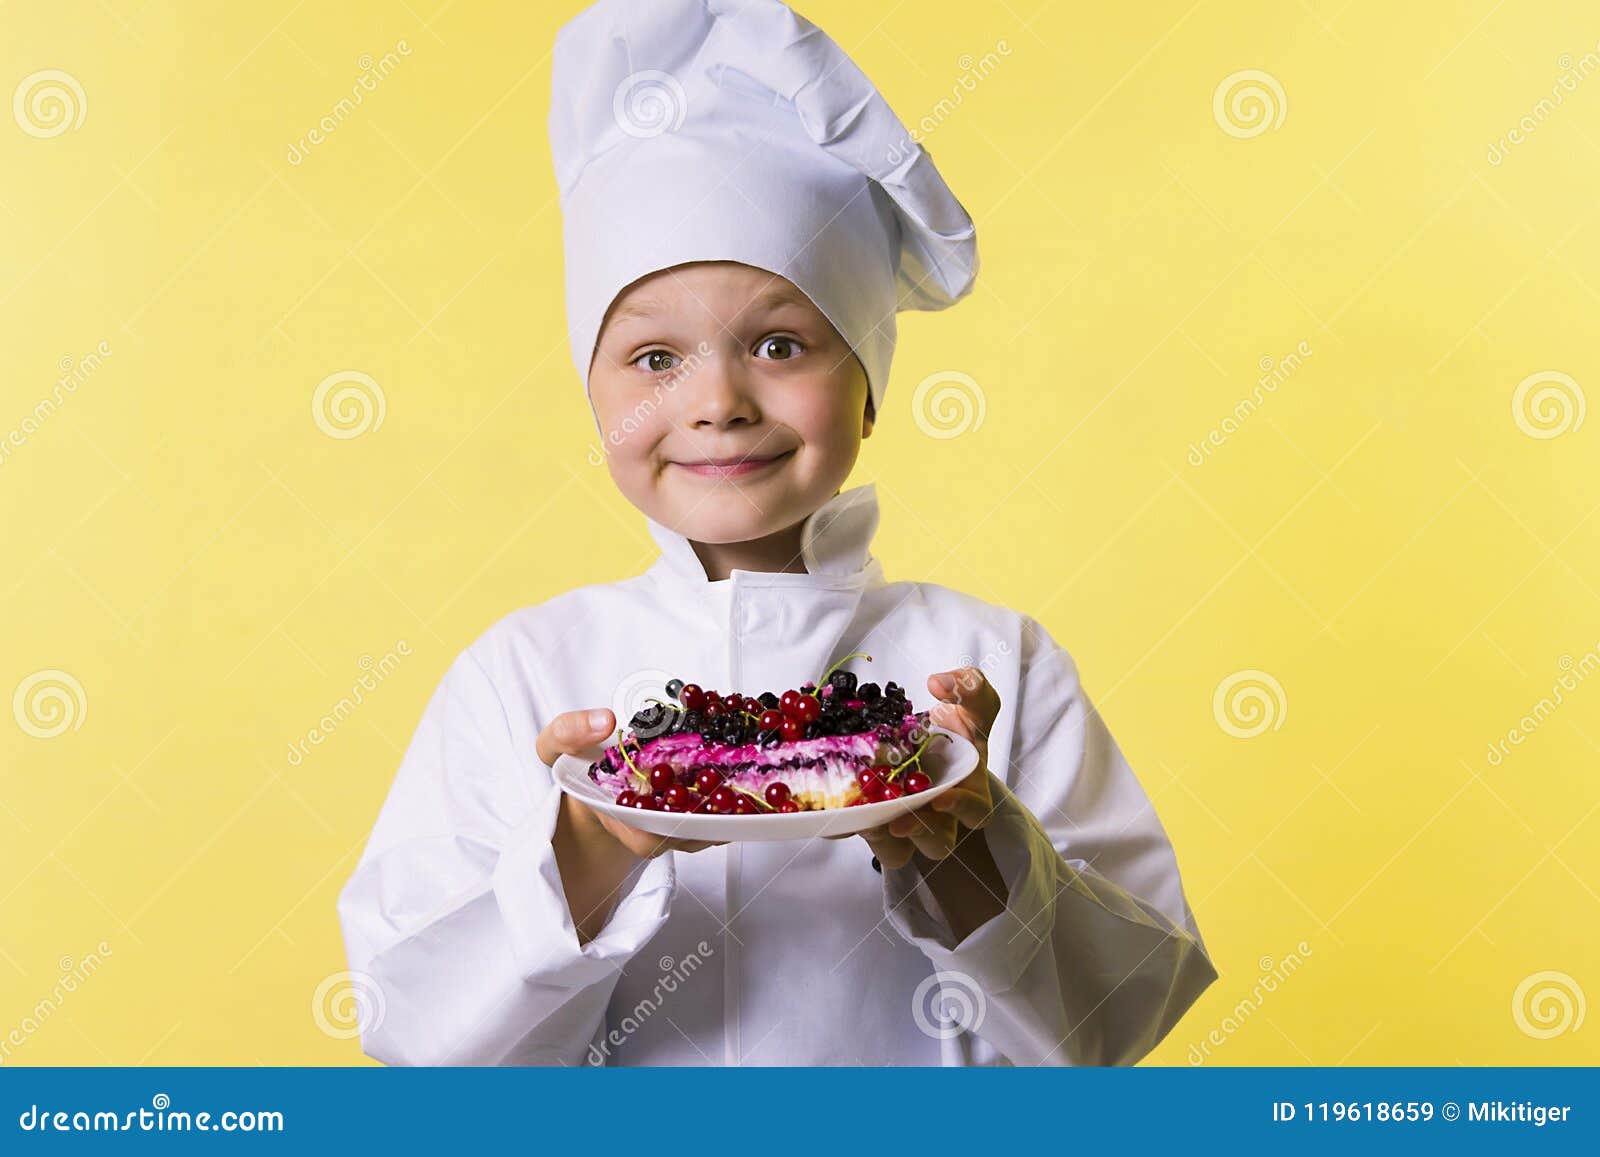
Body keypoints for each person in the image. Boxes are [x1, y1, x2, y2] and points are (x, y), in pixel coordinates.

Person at [336, 0, 1217, 1066]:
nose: (719, 400)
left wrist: (971, 844)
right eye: (655, 358)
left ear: (870, 385)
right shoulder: (523, 675)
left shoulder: (993, 665)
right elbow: (417, 1038)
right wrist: (584, 851)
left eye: (782, 343)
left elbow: (1119, 1020)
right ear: (592, 393)